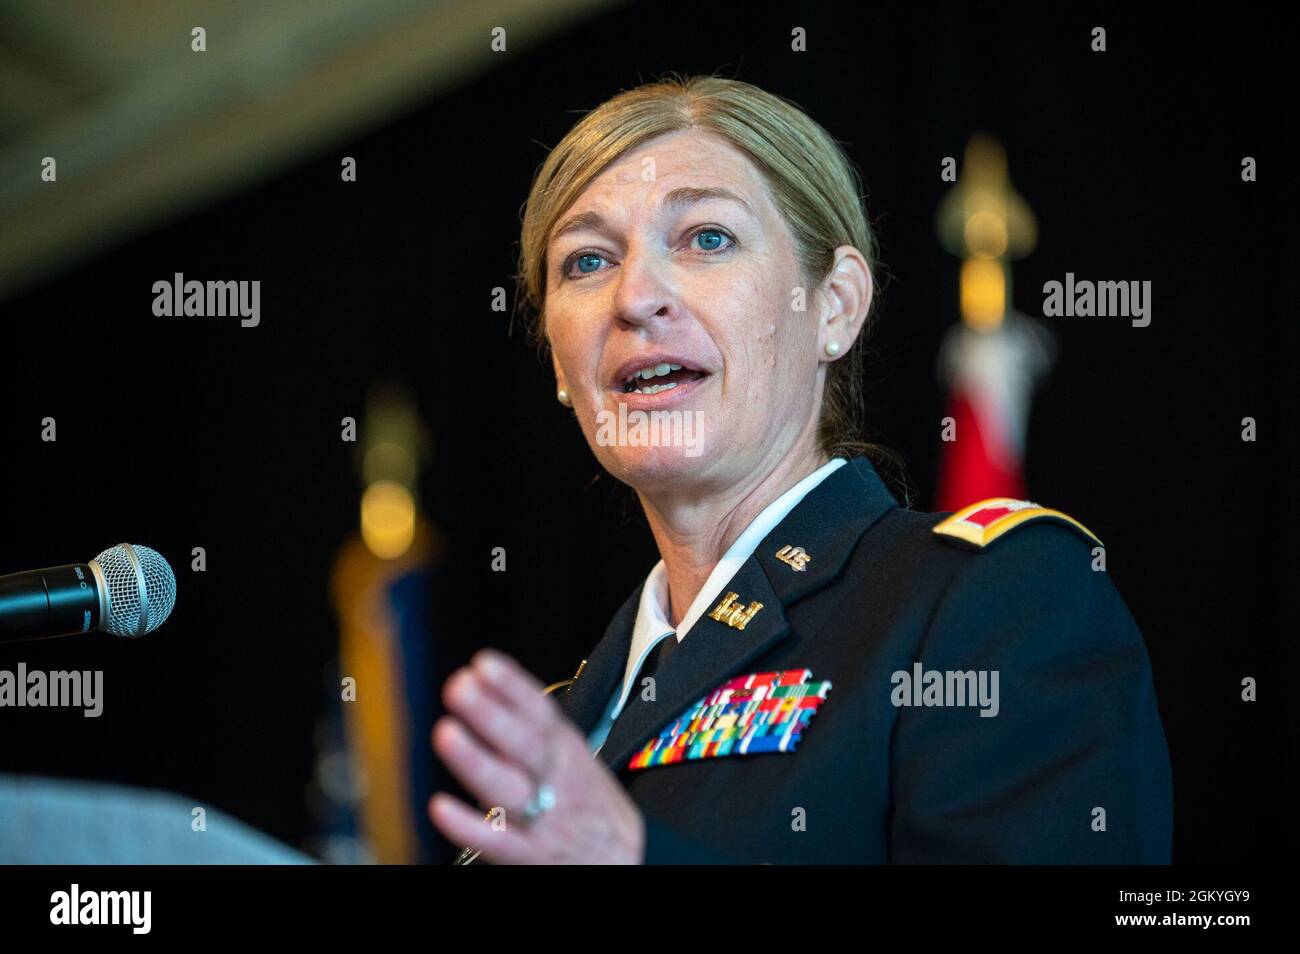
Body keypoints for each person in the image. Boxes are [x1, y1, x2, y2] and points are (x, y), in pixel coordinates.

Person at [427, 75, 1173, 864]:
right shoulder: (564, 719)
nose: (635, 296)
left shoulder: (995, 600)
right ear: (555, 363)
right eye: (586, 261)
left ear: (836, 306)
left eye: (707, 237)